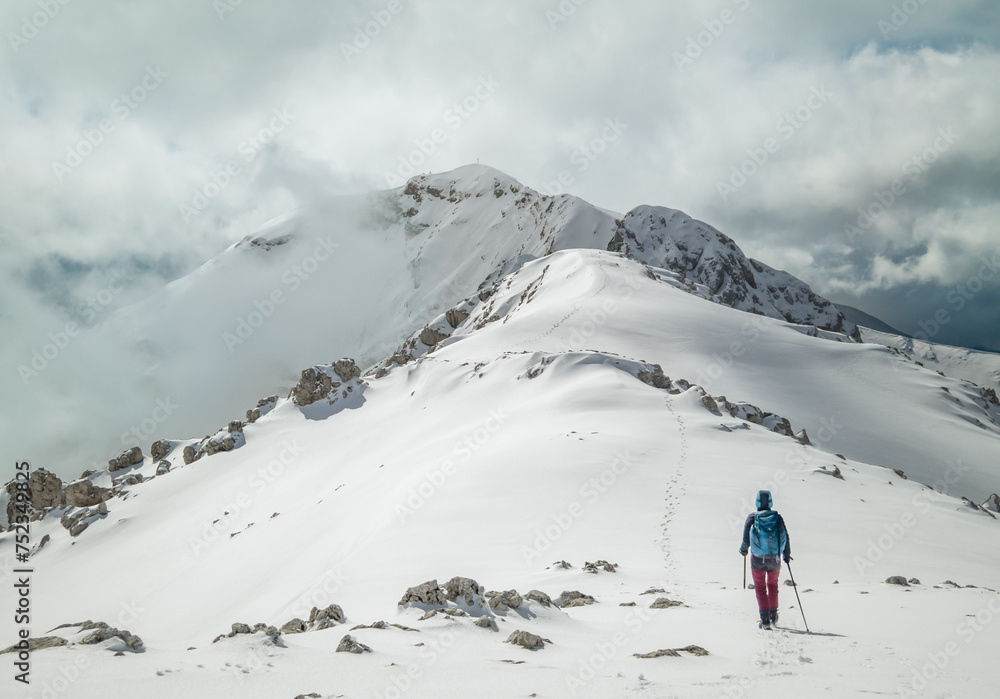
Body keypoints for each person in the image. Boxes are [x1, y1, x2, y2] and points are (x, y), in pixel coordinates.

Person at [739, 490, 791, 629]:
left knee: (760, 588)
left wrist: (743, 550)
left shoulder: (752, 517)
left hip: (757, 559)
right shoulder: (777, 518)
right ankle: (774, 616)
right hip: (775, 559)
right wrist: (786, 555)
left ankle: (765, 619)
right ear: (770, 502)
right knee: (773, 586)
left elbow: (745, 537)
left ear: (756, 501)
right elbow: (786, 536)